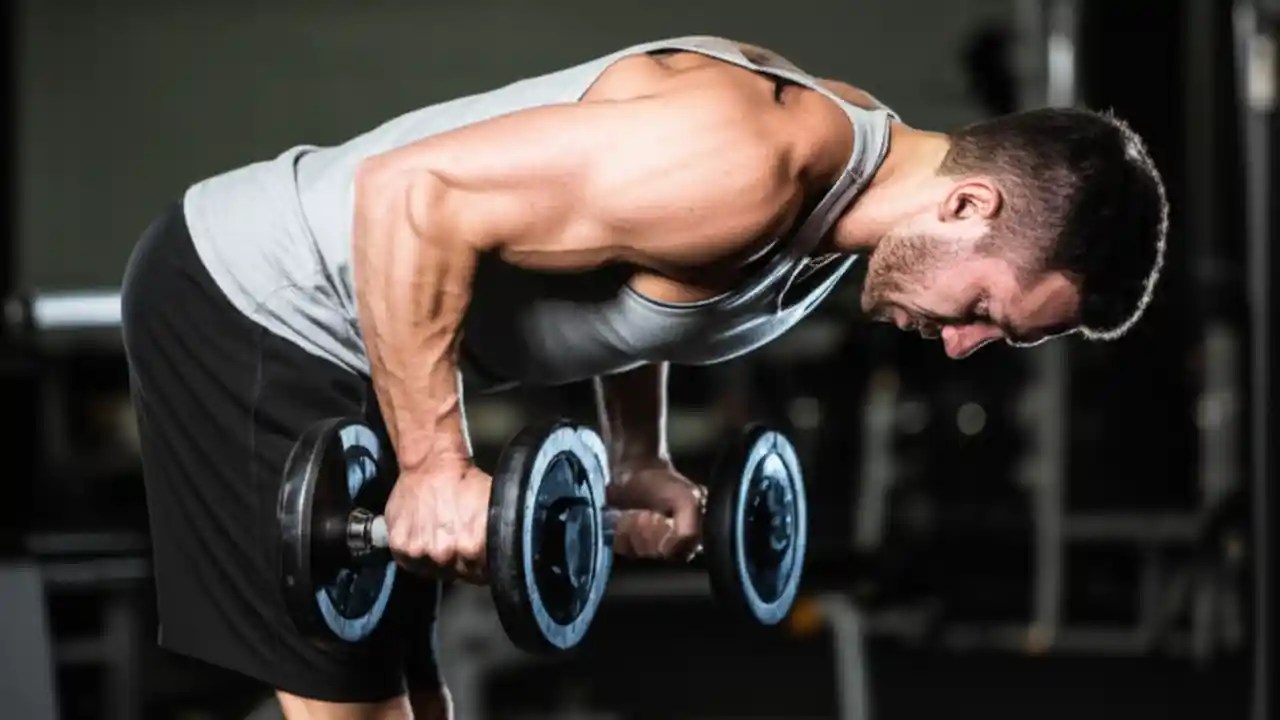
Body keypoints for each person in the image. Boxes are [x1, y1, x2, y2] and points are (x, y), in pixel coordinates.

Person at [119, 34, 1168, 719]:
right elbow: (411, 196)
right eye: (985, 311)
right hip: (252, 296)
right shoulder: (747, 158)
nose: (958, 345)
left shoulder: (843, 219)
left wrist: (636, 459)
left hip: (363, 341)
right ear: (970, 206)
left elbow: (640, 290)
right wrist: (435, 464)